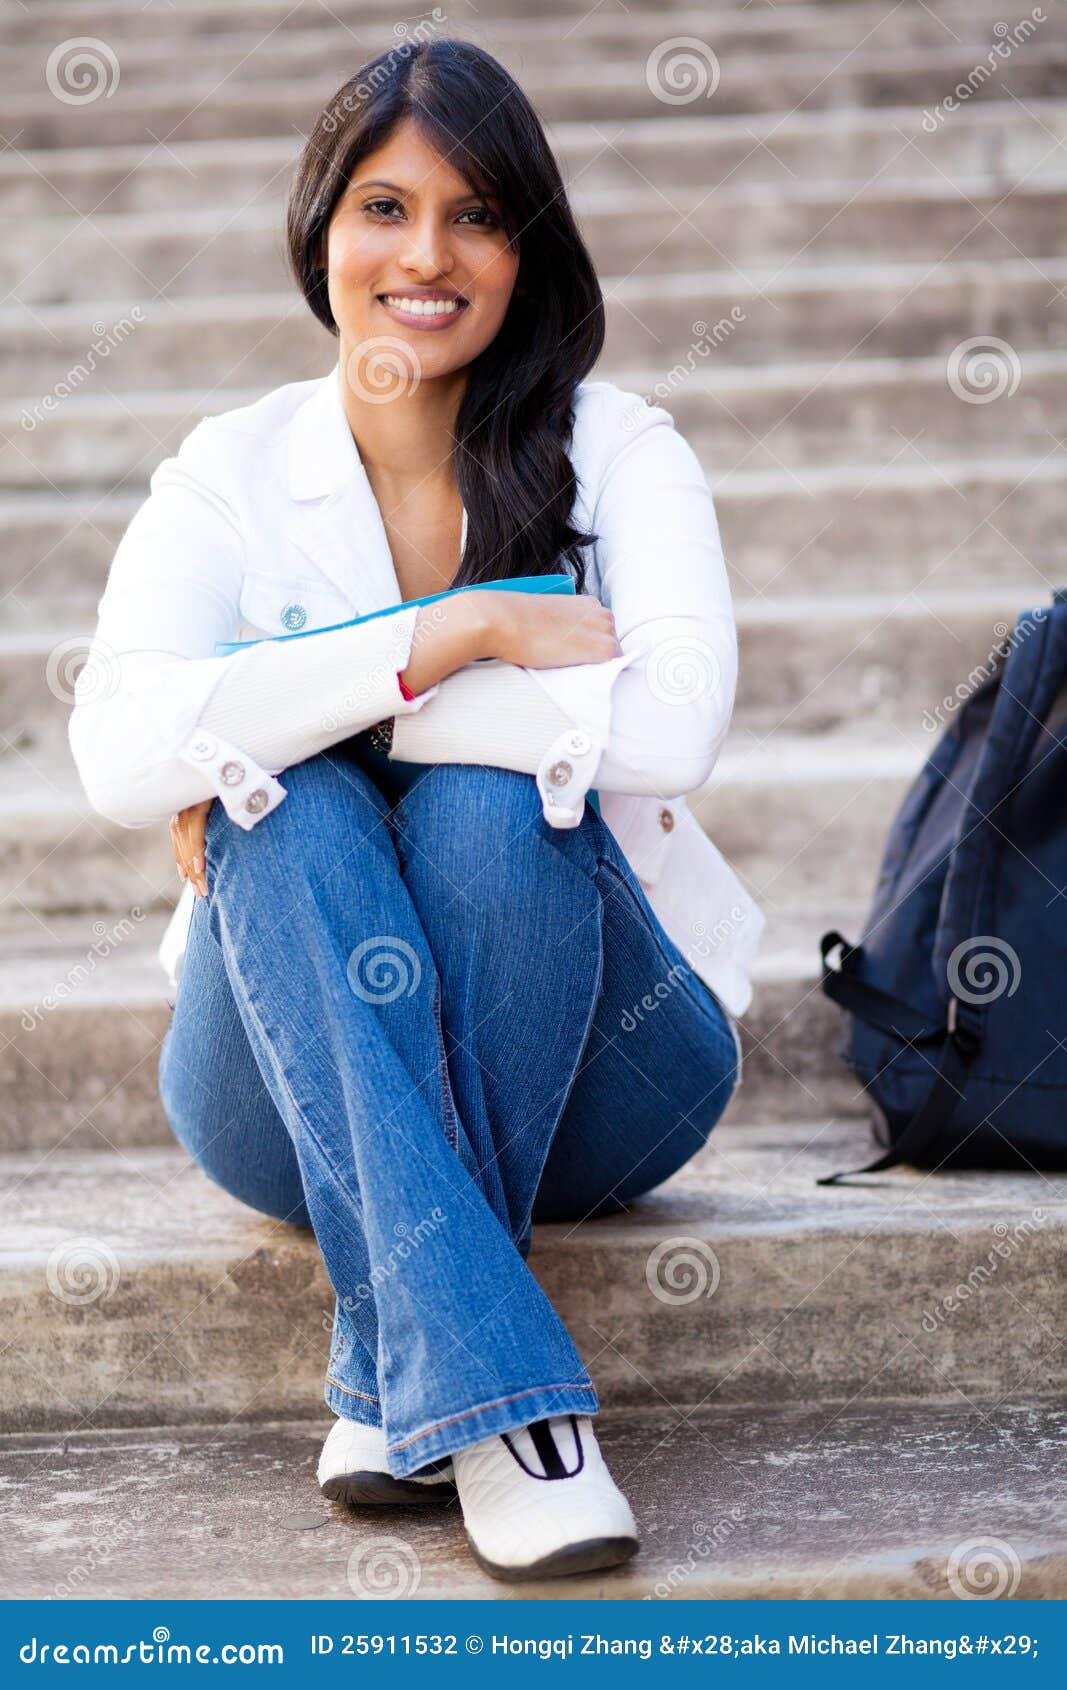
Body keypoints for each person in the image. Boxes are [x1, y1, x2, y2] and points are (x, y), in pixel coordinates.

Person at [68, 38, 763, 1583]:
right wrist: (457, 635)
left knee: (474, 811)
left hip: (614, 1066)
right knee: (294, 817)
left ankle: (396, 1378)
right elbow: (115, 751)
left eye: (478, 214)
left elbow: (676, 723)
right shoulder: (229, 473)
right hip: (274, 1085)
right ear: (323, 227)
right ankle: (511, 1418)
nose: (427, 257)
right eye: (386, 206)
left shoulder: (620, 447)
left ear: (530, 245)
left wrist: (278, 706)